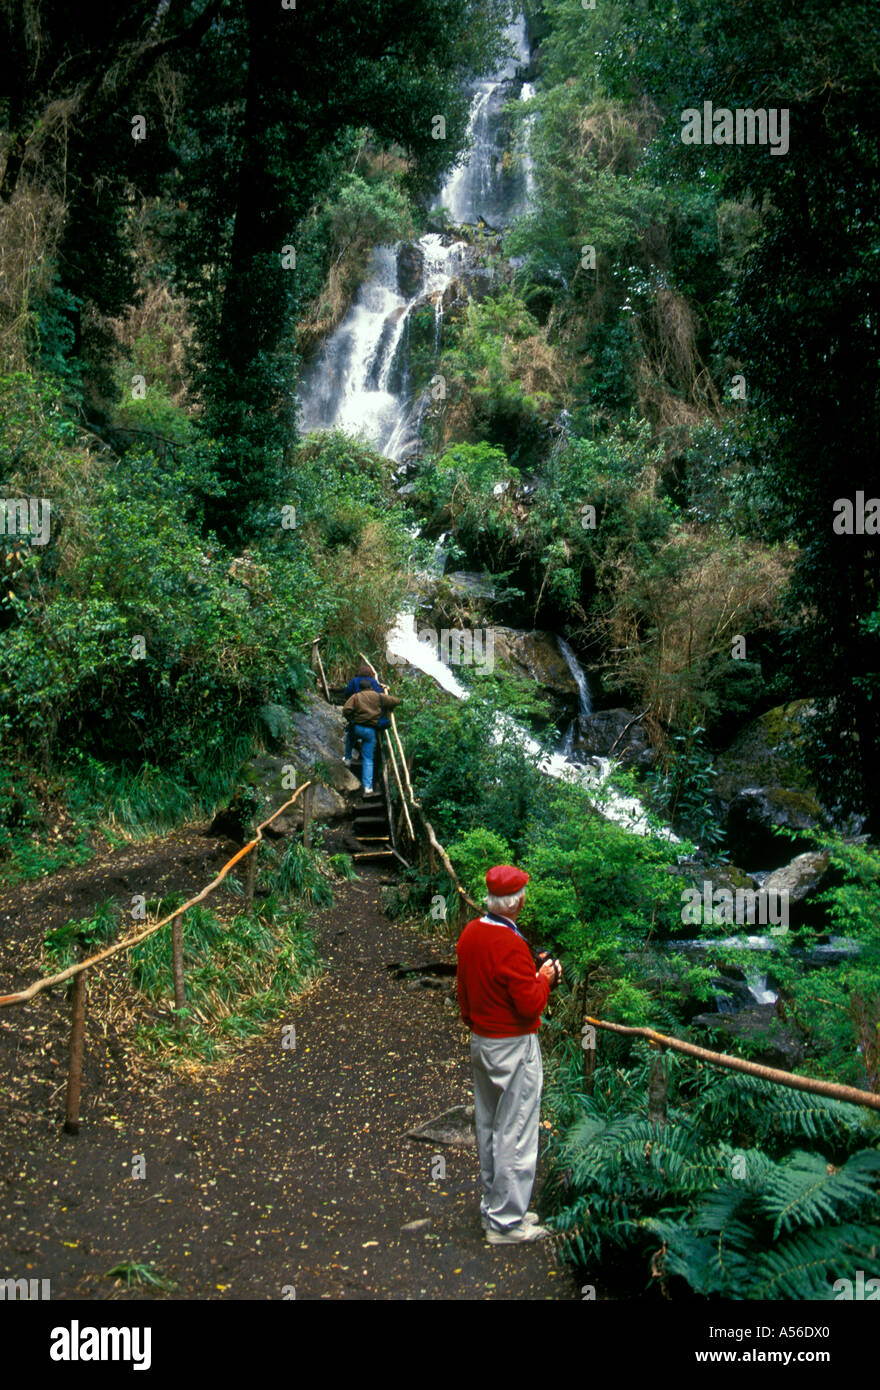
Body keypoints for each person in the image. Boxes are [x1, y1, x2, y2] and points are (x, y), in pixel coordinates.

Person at [456, 864, 562, 1244]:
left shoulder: (471, 933)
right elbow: (530, 1004)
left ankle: (495, 1206)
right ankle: (507, 1224)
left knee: (488, 1125)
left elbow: (464, 991)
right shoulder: (512, 945)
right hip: (514, 1045)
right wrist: (544, 978)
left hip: (481, 1041)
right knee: (515, 1131)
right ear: (517, 903)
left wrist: (476, 1023)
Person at [341, 671, 401, 797]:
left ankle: (347, 758)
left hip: (357, 727)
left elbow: (346, 709)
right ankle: (368, 788)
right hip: (370, 730)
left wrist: (351, 718)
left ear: (361, 688)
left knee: (350, 738)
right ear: (370, 687)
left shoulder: (356, 697)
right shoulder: (378, 696)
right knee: (368, 759)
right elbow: (395, 701)